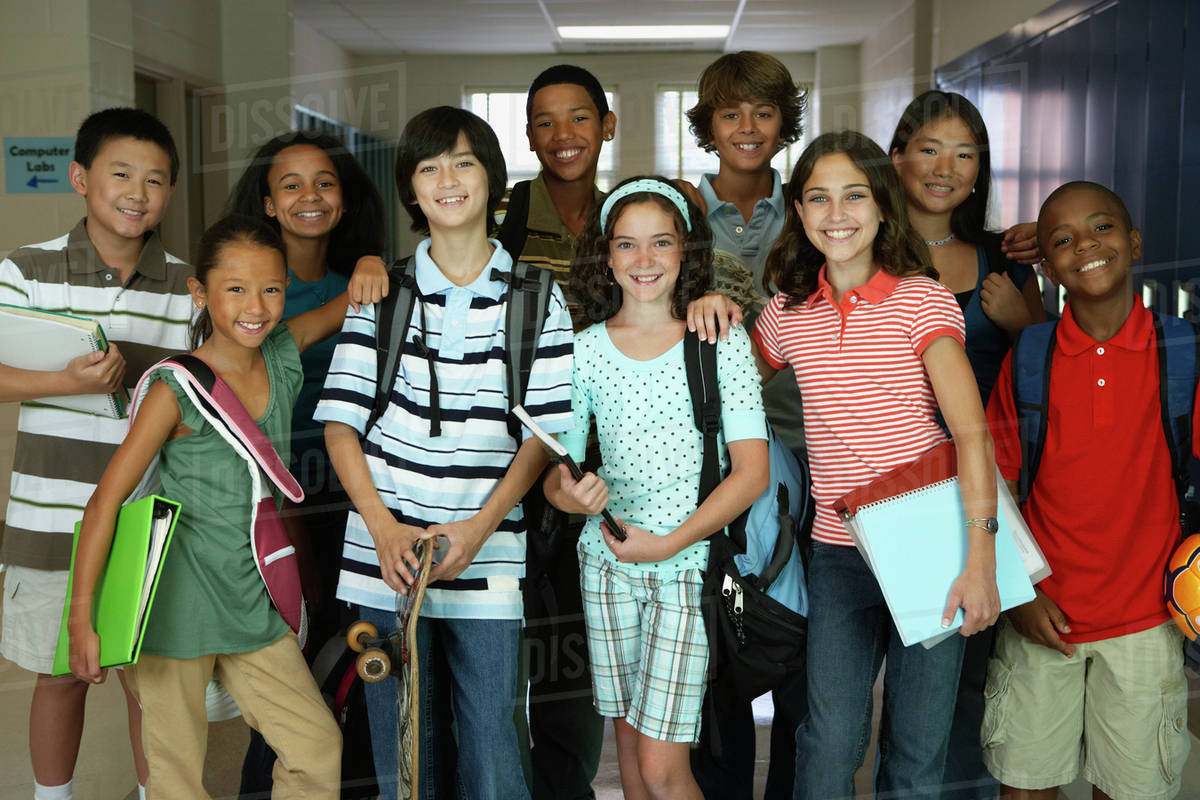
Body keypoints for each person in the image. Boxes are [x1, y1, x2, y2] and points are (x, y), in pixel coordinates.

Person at [317, 106, 574, 800]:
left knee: (493, 745)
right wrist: (383, 528)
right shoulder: (381, 294)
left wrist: (475, 530)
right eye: (429, 167)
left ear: (492, 179)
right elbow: (340, 425)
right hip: (380, 562)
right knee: (404, 750)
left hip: (487, 560)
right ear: (411, 189)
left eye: (464, 162)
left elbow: (542, 437)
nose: (448, 179)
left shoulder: (537, 297)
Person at [67, 215, 351, 797]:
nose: (257, 305)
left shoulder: (283, 355)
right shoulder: (177, 389)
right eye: (236, 289)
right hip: (173, 606)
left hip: (252, 599)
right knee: (176, 775)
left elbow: (344, 304)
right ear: (200, 292)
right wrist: (80, 618)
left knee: (316, 745)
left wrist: (372, 267)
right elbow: (104, 504)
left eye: (272, 289)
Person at [753, 131, 1000, 799]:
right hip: (838, 553)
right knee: (828, 739)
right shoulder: (787, 314)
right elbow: (731, 385)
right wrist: (710, 308)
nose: (837, 214)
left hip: (934, 546)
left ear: (884, 206)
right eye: (818, 198)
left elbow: (972, 435)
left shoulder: (922, 300)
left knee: (916, 751)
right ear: (799, 215)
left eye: (854, 195)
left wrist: (980, 564)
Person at [544, 175, 768, 800]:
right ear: (606, 255)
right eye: (627, 245)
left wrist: (668, 544)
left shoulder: (719, 343)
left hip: (686, 569)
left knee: (663, 769)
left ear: (686, 252)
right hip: (606, 564)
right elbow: (558, 475)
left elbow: (753, 473)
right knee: (628, 751)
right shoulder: (582, 351)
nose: (644, 261)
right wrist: (569, 495)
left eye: (661, 243)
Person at [0, 107, 191, 800]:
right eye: (120, 174)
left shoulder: (186, 285)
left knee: (153, 682)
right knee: (57, 677)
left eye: (156, 179)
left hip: (149, 522)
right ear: (81, 178)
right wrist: (61, 382)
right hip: (51, 521)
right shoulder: (27, 269)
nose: (137, 191)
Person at [983, 181, 1191, 800]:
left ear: (1133, 241)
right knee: (1024, 784)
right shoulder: (1029, 359)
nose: (1086, 246)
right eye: (1063, 240)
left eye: (1102, 228)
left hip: (1149, 617)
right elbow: (988, 486)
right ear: (1045, 267)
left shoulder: (1179, 350)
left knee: (1130, 788)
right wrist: (1017, 592)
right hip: (1042, 615)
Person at [888, 90, 1046, 799]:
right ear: (896, 160)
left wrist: (1022, 321)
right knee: (868, 689)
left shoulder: (1002, 260)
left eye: (964, 153)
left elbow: (1050, 366)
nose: (945, 167)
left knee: (965, 681)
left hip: (980, 494)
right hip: (884, 492)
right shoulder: (862, 251)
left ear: (980, 172)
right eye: (928, 149)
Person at [225, 130, 387, 796]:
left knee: (360, 663)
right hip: (275, 508)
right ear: (266, 202)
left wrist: (370, 273)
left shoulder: (369, 281)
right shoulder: (252, 286)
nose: (308, 196)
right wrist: (352, 292)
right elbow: (264, 354)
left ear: (345, 201)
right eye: (290, 184)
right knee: (287, 678)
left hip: (360, 501)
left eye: (323, 183)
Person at [679, 49, 811, 799]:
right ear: (709, 124)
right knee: (719, 645)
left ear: (784, 121)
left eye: (764, 112)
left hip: (809, 442)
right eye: (730, 114)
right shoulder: (679, 213)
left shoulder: (814, 206)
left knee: (799, 639)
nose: (748, 128)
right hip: (712, 457)